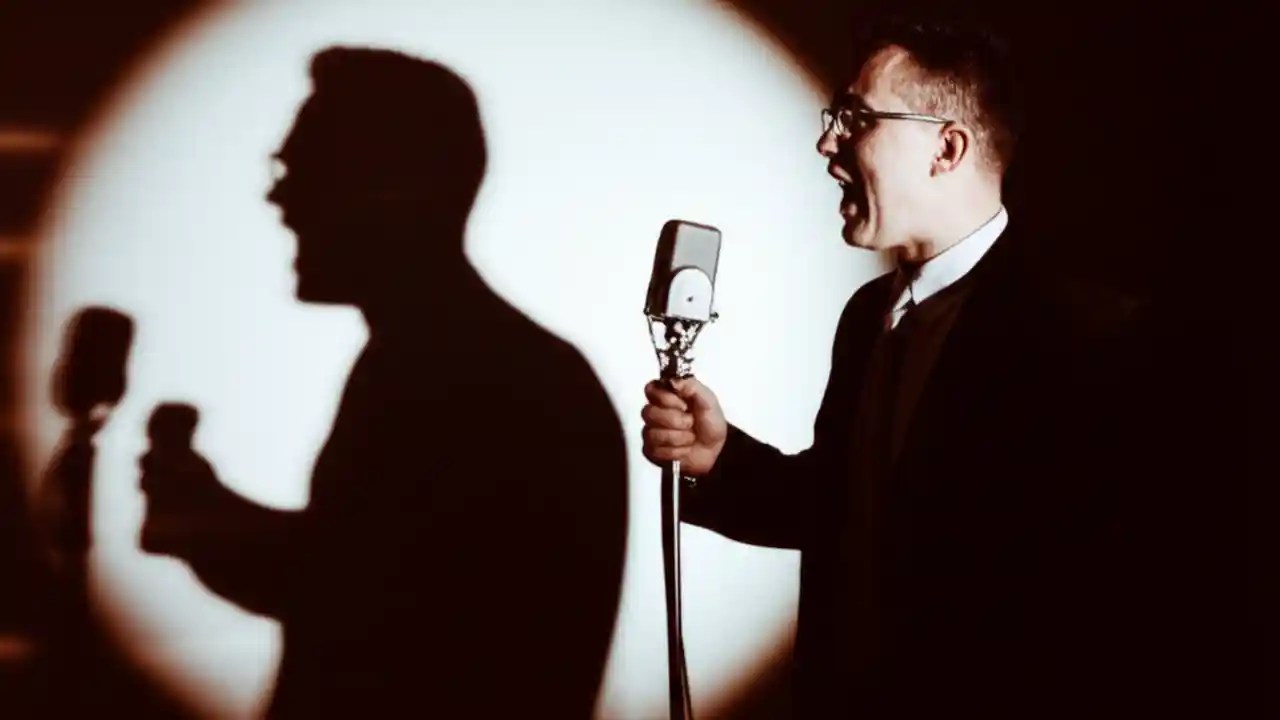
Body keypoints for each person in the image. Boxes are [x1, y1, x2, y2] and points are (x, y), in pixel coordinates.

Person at [642, 17, 1244, 718]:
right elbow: (854, 513)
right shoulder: (867, 318)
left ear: (946, 147)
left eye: (856, 118)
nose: (827, 142)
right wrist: (722, 459)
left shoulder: (1088, 338)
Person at [139, 47, 628, 718]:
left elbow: (370, 608)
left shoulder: (471, 373)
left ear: (391, 186)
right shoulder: (473, 361)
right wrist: (205, 516)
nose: (279, 195)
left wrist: (204, 519)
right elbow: (373, 574)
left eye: (302, 168)